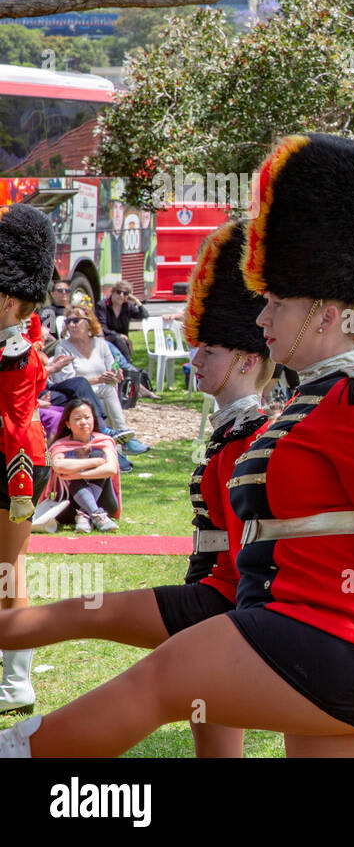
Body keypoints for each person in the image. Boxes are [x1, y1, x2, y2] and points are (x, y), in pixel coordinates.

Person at [0, 133, 354, 758]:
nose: (262, 317)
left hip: (349, 643)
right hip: (310, 638)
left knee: (161, 680)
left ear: (325, 311)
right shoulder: (309, 401)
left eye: (275, 302)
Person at [0, 220, 272, 757]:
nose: (193, 360)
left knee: (72, 620)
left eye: (208, 350)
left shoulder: (253, 439)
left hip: (232, 606)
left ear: (247, 358)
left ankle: (20, 746)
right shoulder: (234, 431)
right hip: (216, 596)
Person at [0, 204, 56, 715]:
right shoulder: (13, 341)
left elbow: (18, 422)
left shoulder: (16, 350)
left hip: (13, 467)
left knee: (8, 571)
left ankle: (16, 682)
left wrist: (20, 492)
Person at [49, 305, 146, 451]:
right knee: (106, 388)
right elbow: (68, 383)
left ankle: (120, 435)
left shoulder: (101, 344)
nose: (71, 325)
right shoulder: (63, 348)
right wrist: (99, 379)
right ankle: (123, 436)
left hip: (102, 388)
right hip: (75, 395)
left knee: (108, 387)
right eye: (68, 322)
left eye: (76, 320)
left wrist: (115, 375)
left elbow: (111, 370)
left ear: (88, 322)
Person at [46, 400, 121, 532]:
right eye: (77, 418)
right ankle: (97, 515)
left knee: (94, 455)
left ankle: (85, 515)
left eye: (87, 417)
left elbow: (111, 468)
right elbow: (59, 466)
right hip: (68, 508)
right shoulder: (60, 445)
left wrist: (78, 475)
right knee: (83, 462)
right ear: (68, 423)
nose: (84, 422)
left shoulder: (104, 442)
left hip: (105, 503)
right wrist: (95, 462)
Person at [93, 280, 147, 361]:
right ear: (113, 292)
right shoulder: (102, 305)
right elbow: (102, 328)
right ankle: (129, 365)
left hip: (122, 342)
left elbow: (144, 315)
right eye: (118, 292)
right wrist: (119, 335)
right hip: (104, 338)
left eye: (125, 294)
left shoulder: (127, 306)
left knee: (120, 340)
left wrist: (136, 301)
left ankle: (128, 367)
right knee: (118, 339)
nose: (121, 295)